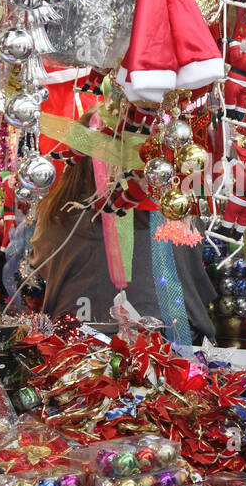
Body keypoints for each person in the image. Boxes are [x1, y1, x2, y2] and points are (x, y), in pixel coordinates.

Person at [29, 138, 217, 344]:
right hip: (167, 345)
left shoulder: (57, 215)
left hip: (75, 345)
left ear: (78, 160)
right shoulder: (175, 211)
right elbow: (195, 273)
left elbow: (40, 264)